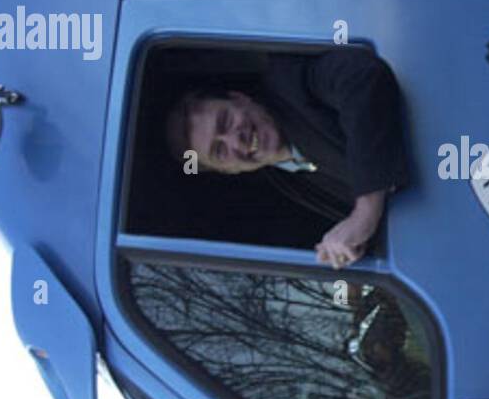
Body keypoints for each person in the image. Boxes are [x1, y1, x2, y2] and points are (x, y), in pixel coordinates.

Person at [164, 45, 409, 269]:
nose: (235, 140)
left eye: (225, 121)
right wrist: (356, 245)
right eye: (220, 151)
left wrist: (366, 210)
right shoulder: (288, 188)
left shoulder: (289, 83)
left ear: (240, 98)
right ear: (229, 171)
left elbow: (361, 76)